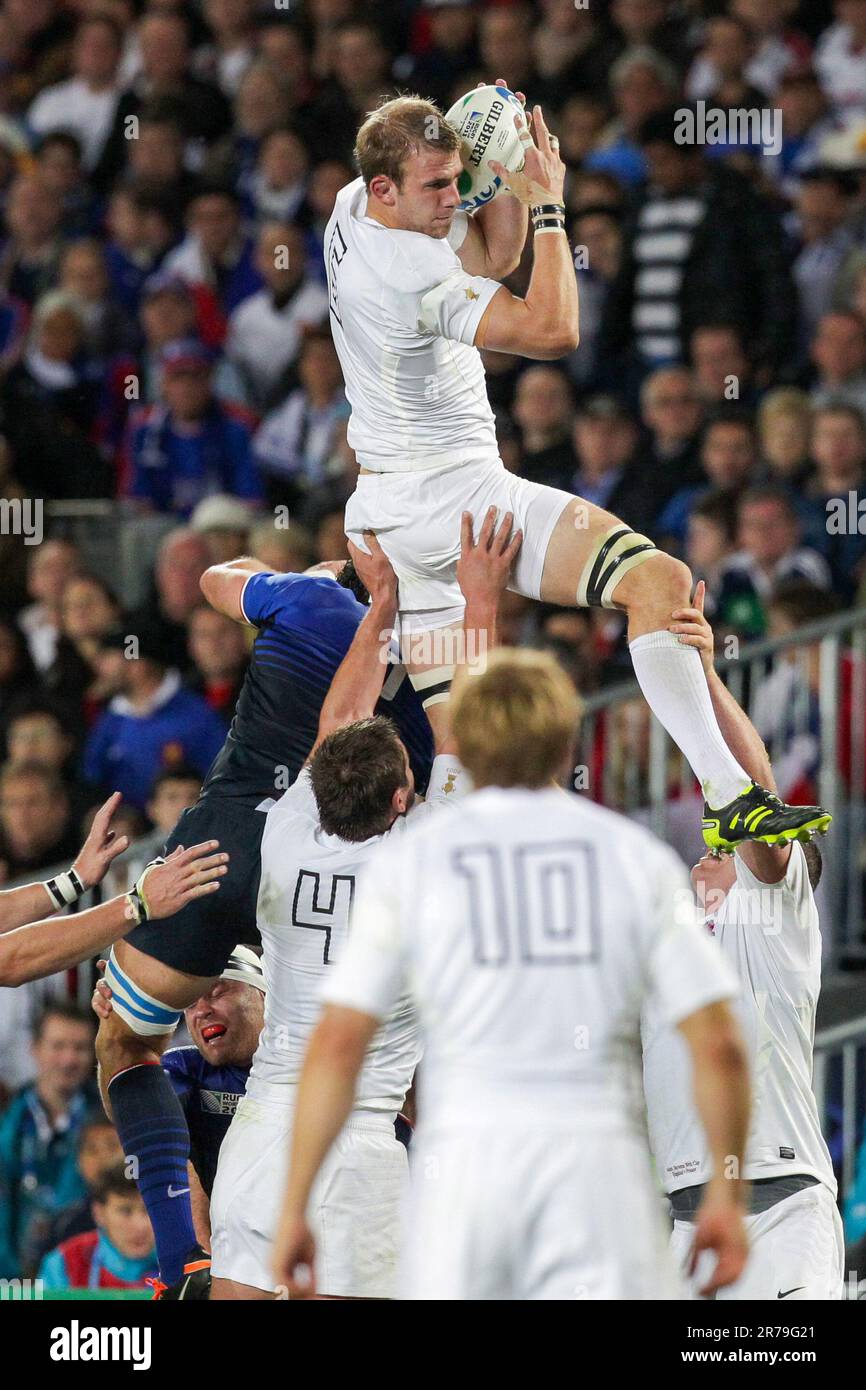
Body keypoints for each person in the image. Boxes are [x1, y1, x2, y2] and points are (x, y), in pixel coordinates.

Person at [326, 86, 829, 853]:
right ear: (389, 187)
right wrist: (547, 200)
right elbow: (554, 328)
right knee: (657, 582)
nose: (452, 196)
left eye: (455, 176)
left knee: (466, 760)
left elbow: (491, 253)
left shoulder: (352, 202)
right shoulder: (411, 272)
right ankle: (728, 796)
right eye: (438, 186)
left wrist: (493, 181)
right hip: (464, 498)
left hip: (393, 523)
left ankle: (426, 930)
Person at [271, 645, 752, 1301]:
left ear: (462, 740)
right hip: (597, 1172)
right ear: (565, 746)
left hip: (466, 1172)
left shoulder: (414, 864)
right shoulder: (634, 858)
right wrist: (726, 1195)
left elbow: (338, 1043)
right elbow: (719, 1043)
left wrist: (295, 1201)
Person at [93, 552, 433, 1297]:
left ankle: (184, 1252)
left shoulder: (311, 602)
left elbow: (214, 583)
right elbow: (405, 732)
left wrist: (297, 580)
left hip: (228, 850)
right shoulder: (438, 680)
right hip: (354, 885)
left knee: (123, 1038)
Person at [210, 511, 511, 1301]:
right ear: (405, 796)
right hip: (359, 1146)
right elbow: (470, 733)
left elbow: (338, 721)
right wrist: (479, 603)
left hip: (265, 1127)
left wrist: (378, 606)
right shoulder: (429, 859)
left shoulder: (288, 831)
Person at [642, 583, 845, 1301]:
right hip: (683, 1225)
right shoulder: (666, 942)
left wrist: (702, 677)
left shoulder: (774, 918)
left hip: (782, 1209)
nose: (710, 842)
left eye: (726, 844)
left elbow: (753, 797)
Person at [39, 1163, 156, 1292]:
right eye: (125, 1211)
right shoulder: (64, 1263)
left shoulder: (179, 1263)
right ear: (99, 1213)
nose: (141, 1226)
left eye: (150, 1210)